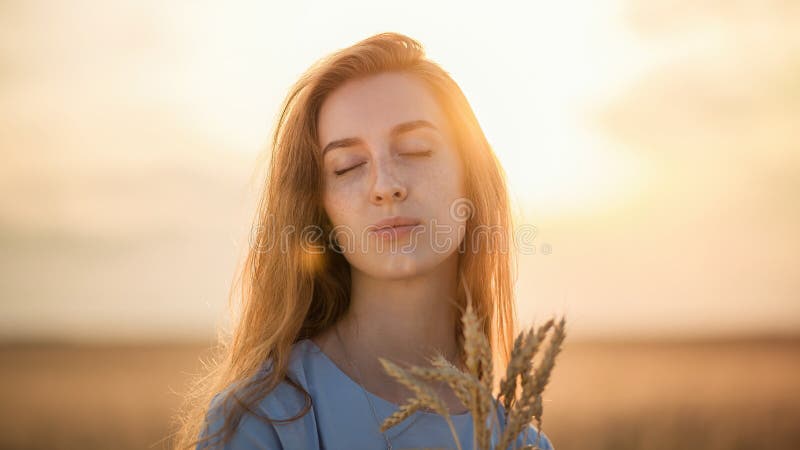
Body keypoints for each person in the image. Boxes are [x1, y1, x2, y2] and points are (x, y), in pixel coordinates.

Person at [172, 32, 555, 450]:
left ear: (471, 176)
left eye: (415, 149)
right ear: (321, 211)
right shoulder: (263, 420)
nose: (385, 185)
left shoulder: (520, 442)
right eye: (348, 166)